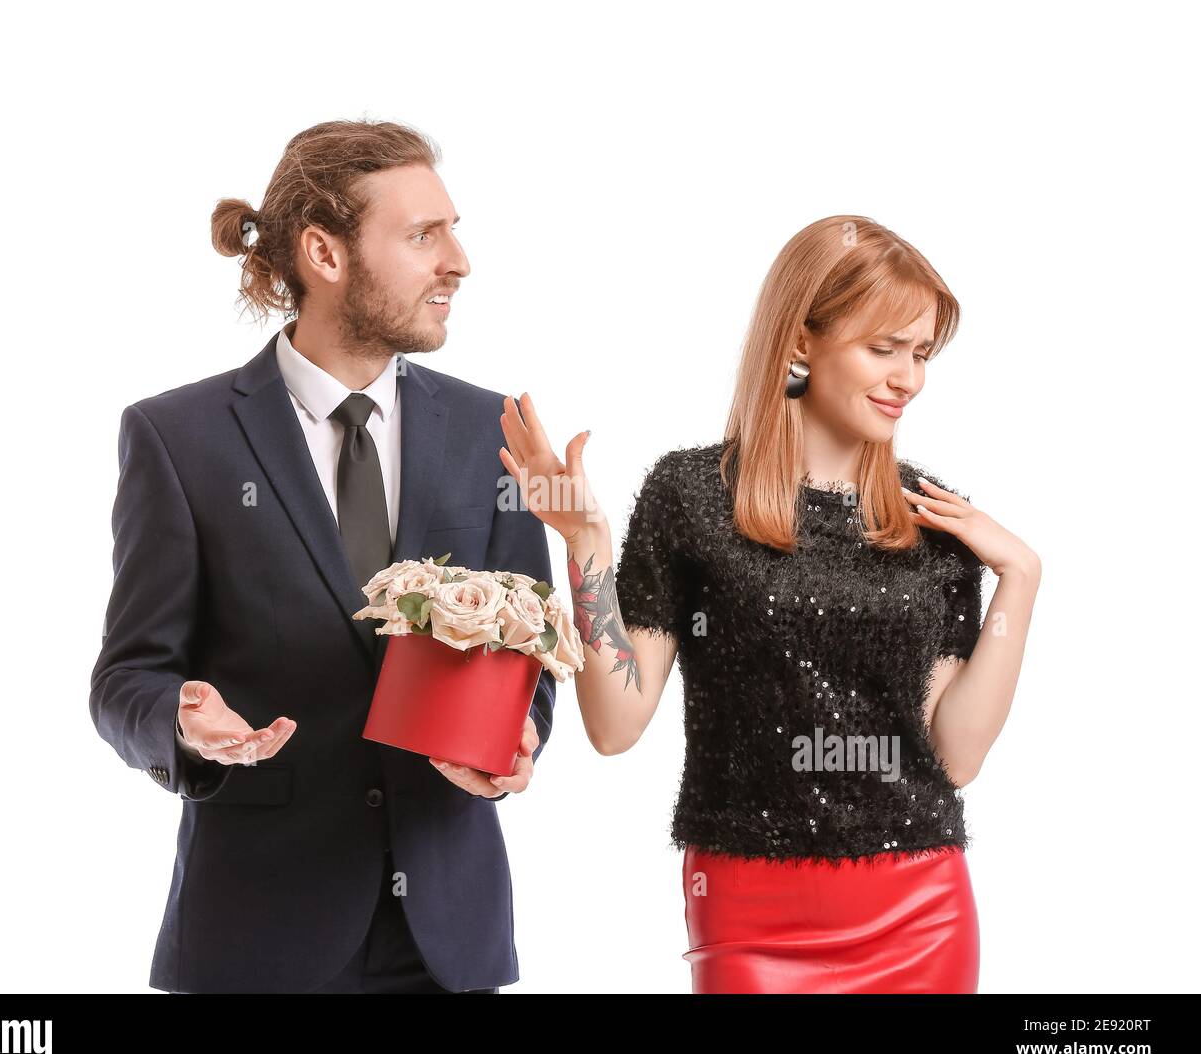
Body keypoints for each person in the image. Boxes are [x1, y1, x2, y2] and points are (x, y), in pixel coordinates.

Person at [499, 215, 1041, 993]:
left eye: (919, 353)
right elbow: (615, 725)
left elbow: (957, 754)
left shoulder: (937, 521)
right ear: (799, 343)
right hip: (748, 910)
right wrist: (586, 543)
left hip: (921, 912)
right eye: (882, 348)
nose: (907, 378)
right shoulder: (689, 497)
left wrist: (1020, 576)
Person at [89, 120, 555, 994]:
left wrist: (521, 734)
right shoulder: (178, 437)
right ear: (324, 253)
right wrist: (182, 716)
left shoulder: (491, 429)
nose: (459, 260)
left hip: (448, 941)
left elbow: (533, 657)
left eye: (453, 230)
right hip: (256, 941)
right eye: (424, 235)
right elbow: (126, 678)